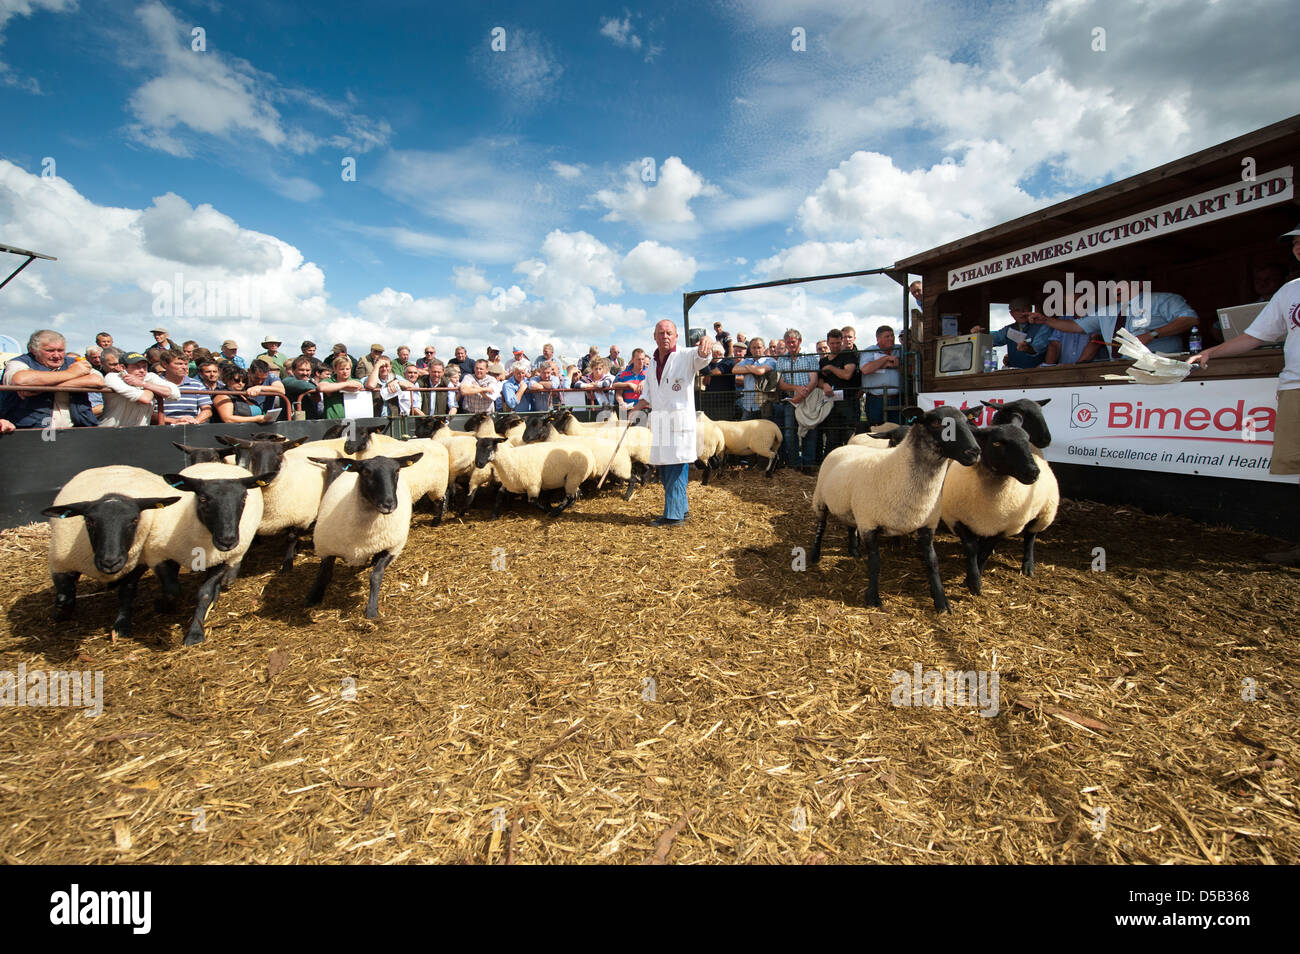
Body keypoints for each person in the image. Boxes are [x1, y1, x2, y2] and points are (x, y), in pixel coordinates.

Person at [1190, 222, 1300, 564]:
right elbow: (1256, 336)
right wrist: (1211, 352)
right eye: (1295, 242)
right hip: (1295, 386)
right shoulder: (1290, 291)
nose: (1297, 246)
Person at [633, 319, 714, 527]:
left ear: (676, 336)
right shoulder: (652, 363)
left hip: (678, 423)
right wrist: (634, 409)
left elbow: (702, 358)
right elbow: (649, 394)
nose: (665, 336)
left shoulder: (686, 356)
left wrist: (706, 343)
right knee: (666, 467)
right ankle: (681, 510)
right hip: (660, 422)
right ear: (654, 336)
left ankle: (673, 516)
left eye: (669, 333)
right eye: (661, 333)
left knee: (676, 466)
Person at [1028, 282, 1197, 357]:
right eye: (1113, 285)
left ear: (1138, 284)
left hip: (1160, 369)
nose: (1116, 288)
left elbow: (1189, 319)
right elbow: (1075, 326)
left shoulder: (1163, 299)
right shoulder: (1107, 311)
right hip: (1118, 369)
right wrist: (1045, 320)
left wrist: (1152, 334)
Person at [1, 329, 102, 429]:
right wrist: (71, 373)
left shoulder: (75, 363)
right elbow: (21, 380)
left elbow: (97, 380)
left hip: (78, 431)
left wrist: (39, 386)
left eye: (60, 350)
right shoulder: (18, 363)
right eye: (50, 351)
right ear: (33, 350)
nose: (56, 355)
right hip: (31, 433)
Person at [773, 328, 820, 471]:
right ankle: (794, 464)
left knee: (809, 430)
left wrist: (802, 394)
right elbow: (781, 384)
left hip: (808, 399)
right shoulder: (781, 360)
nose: (791, 345)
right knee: (789, 433)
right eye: (788, 342)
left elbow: (814, 380)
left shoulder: (810, 357)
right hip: (790, 400)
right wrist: (796, 388)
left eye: (793, 342)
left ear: (800, 341)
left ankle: (808, 464)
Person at [100, 351, 180, 427]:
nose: (142, 370)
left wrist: (143, 384)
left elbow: (175, 393)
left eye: (144, 367)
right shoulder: (113, 378)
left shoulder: (150, 377)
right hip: (111, 431)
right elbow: (144, 398)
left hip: (140, 433)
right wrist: (152, 389)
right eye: (136, 367)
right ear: (122, 368)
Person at [971, 297, 1053, 368]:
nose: (1022, 313)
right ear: (1011, 313)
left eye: (1024, 309)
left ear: (1030, 309)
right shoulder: (1008, 330)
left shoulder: (1043, 326)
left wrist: (1028, 349)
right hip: (1014, 376)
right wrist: (978, 334)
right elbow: (991, 339)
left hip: (1038, 375)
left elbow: (1039, 348)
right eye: (1017, 310)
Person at [817, 327, 859, 455]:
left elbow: (847, 374)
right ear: (828, 343)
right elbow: (819, 379)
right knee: (832, 436)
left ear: (841, 342)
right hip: (830, 403)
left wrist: (830, 367)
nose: (835, 346)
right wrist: (824, 385)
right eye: (832, 343)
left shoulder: (848, 355)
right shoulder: (823, 360)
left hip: (848, 401)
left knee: (849, 436)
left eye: (837, 343)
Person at [859, 325, 902, 426]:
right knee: (876, 431)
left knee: (895, 430)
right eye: (887, 336)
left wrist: (898, 365)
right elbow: (865, 369)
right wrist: (885, 359)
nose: (891, 338)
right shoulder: (870, 351)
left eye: (892, 336)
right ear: (878, 339)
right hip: (876, 399)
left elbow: (910, 369)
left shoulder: (899, 349)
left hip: (896, 399)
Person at [159, 351, 212, 425]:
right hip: (161, 430)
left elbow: (207, 410)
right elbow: (149, 414)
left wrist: (195, 421)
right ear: (165, 364)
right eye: (179, 364)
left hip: (190, 430)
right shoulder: (156, 384)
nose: (184, 367)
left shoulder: (197, 385)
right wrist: (174, 421)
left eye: (186, 364)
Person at [732, 337, 777, 421]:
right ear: (750, 349)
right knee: (745, 430)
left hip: (764, 404)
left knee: (765, 430)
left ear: (764, 348)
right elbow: (734, 370)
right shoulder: (747, 360)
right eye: (754, 347)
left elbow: (760, 371)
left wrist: (747, 367)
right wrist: (752, 369)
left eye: (759, 347)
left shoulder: (770, 361)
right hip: (748, 405)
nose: (757, 350)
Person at [319, 355, 365, 419]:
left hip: (352, 420)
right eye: (341, 369)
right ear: (335, 369)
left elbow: (357, 386)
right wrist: (346, 385)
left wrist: (333, 387)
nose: (345, 372)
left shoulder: (355, 380)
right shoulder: (328, 380)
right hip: (332, 420)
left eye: (347, 369)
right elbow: (322, 388)